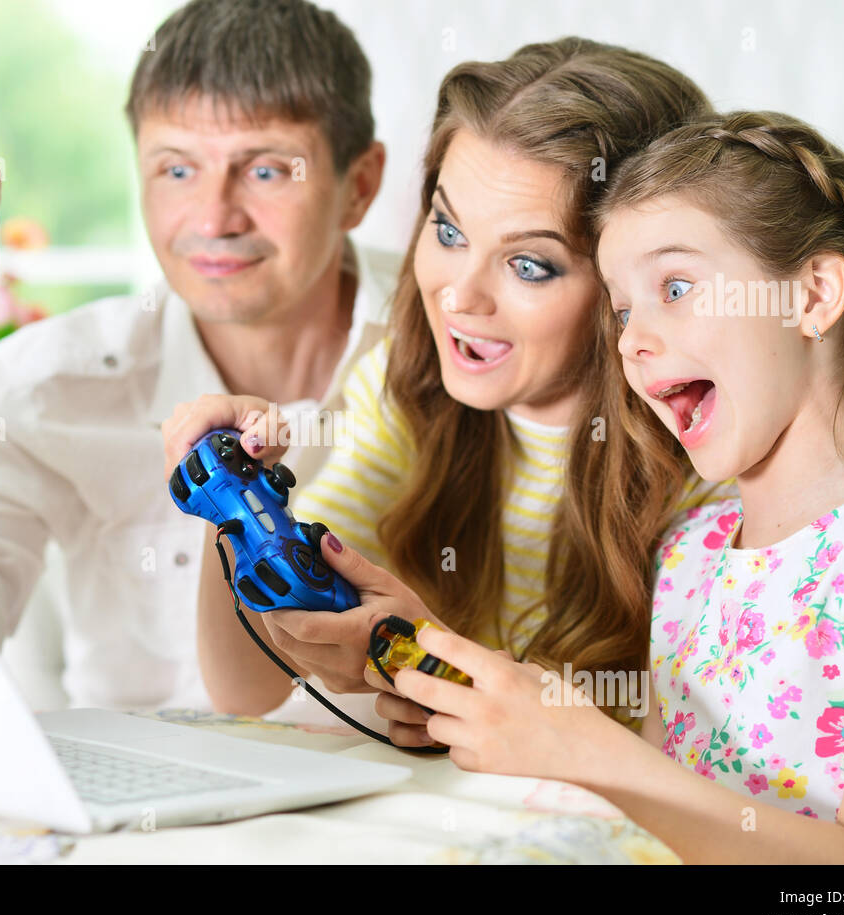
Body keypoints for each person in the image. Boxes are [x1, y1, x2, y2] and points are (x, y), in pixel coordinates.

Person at [392, 111, 844, 864]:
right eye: (623, 311)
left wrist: (589, 751)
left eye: (676, 286)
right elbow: (660, 828)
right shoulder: (690, 553)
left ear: (814, 294)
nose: (632, 339)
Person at [163, 37, 732, 737]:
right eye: (448, 228)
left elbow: (692, 771)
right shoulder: (401, 393)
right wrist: (240, 509)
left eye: (529, 265)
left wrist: (439, 667)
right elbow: (242, 686)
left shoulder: (715, 457)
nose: (460, 295)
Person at [0, 0, 395, 714]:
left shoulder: (457, 340)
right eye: (176, 171)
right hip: (134, 812)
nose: (214, 219)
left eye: (265, 171)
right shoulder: (46, 386)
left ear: (358, 186)